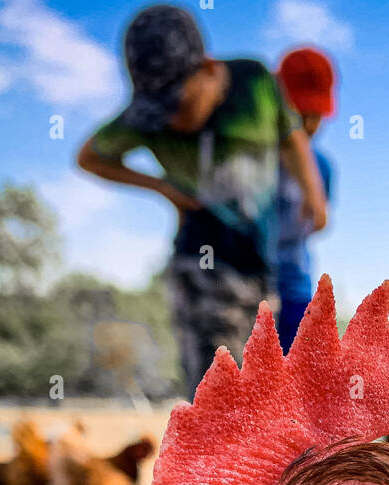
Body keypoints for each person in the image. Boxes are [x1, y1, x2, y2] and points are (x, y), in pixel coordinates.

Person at [77, 5, 327, 398]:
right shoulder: (143, 120)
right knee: (222, 395)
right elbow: (89, 157)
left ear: (208, 70)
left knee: (264, 394)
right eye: (158, 109)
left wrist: (313, 192)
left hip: (260, 265)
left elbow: (291, 135)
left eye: (178, 103)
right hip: (202, 261)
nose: (170, 120)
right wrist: (162, 187)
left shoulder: (256, 82)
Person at [275, 48, 336, 352]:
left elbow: (321, 220)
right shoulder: (254, 159)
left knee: (296, 368)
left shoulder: (322, 166)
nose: (309, 124)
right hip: (246, 284)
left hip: (295, 283)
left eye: (315, 116)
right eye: (300, 115)